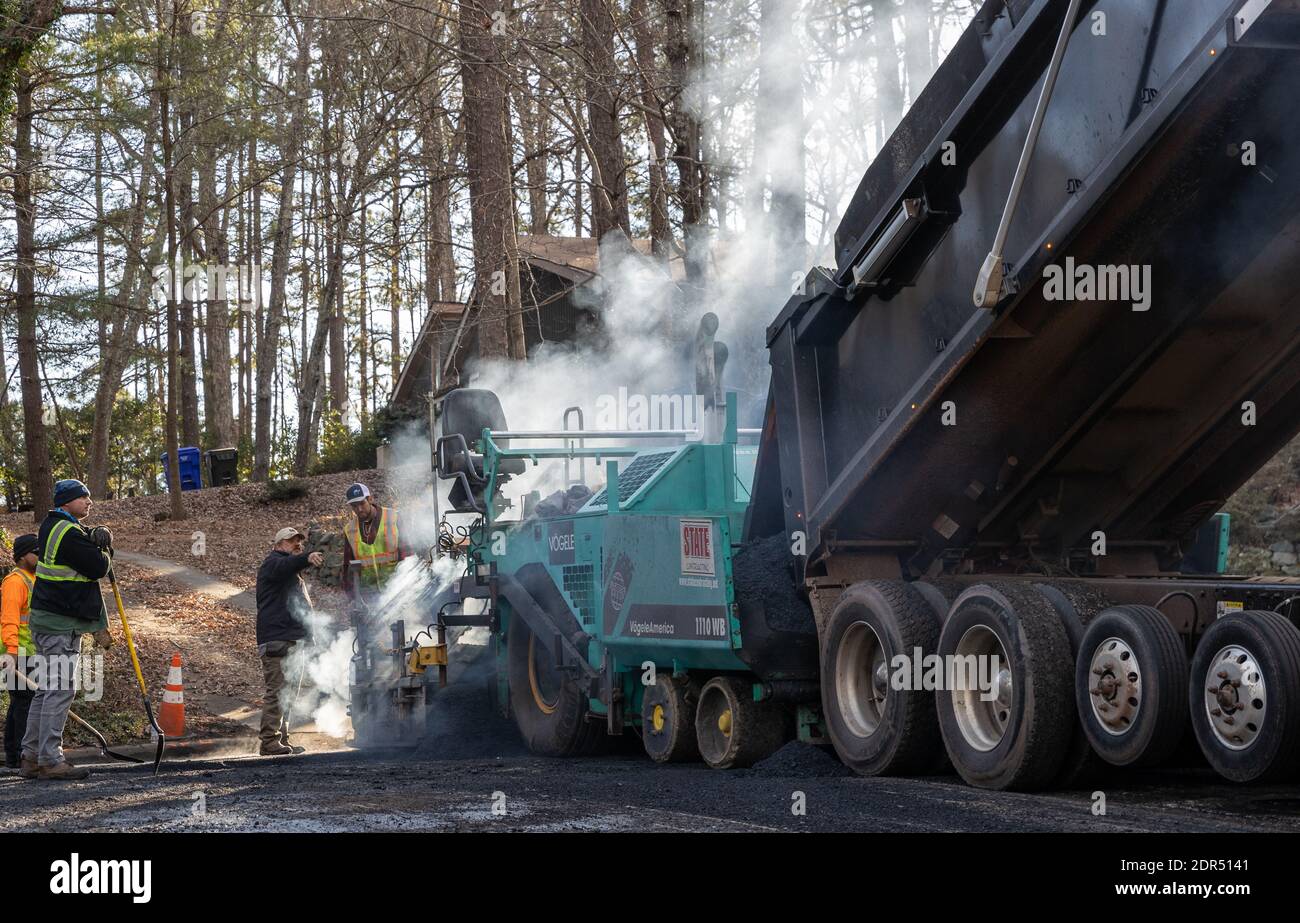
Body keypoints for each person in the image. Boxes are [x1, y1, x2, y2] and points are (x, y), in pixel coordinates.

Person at [20, 479, 113, 781]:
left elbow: (76, 551)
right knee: (60, 689)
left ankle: (31, 757)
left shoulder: (52, 526)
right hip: (59, 624)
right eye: (82, 498)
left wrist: (90, 535)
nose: (89, 502)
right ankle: (50, 758)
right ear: (65, 503)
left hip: (47, 620)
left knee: (47, 690)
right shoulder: (68, 533)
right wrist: (106, 550)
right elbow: (98, 567)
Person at [255, 526, 323, 756]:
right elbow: (286, 564)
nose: (297, 544)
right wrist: (306, 558)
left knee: (289, 692)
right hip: (277, 640)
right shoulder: (273, 563)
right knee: (277, 690)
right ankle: (269, 741)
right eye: (291, 541)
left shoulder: (289, 571)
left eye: (299, 542)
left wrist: (309, 636)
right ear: (278, 544)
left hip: (290, 640)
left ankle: (281, 739)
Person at [2, 533, 39, 768]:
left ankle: (15, 756)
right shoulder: (15, 582)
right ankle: (19, 755)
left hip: (30, 652)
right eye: (36, 553)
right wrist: (11, 652)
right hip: (18, 654)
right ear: (23, 556)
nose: (40, 557)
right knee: (25, 703)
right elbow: (9, 619)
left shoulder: (33, 579)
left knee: (21, 702)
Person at [340, 482, 409, 608]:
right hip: (368, 596)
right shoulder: (349, 529)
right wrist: (352, 598)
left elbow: (407, 554)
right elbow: (347, 566)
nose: (359, 509)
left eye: (362, 503)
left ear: (370, 499)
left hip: (396, 590)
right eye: (354, 506)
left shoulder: (394, 517)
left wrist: (407, 587)